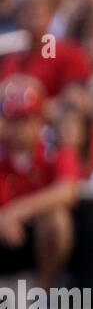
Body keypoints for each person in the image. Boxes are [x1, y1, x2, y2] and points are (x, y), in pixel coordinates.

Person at [0, 76, 79, 290]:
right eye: (13, 119)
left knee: (57, 220)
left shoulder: (54, 148)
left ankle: (42, 295)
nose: (20, 127)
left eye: (26, 118)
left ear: (39, 120)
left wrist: (16, 212)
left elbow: (67, 192)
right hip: (5, 239)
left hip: (37, 240)